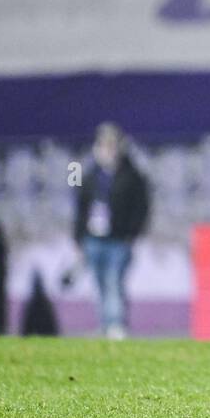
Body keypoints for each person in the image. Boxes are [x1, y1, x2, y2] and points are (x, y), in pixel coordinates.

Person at [73, 122, 150, 339]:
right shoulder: (86, 175)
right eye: (104, 146)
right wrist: (78, 239)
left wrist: (131, 235)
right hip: (93, 239)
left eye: (112, 145)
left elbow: (141, 208)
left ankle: (116, 324)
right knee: (99, 284)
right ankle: (104, 324)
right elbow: (79, 208)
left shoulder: (133, 176)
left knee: (114, 281)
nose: (109, 151)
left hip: (119, 239)